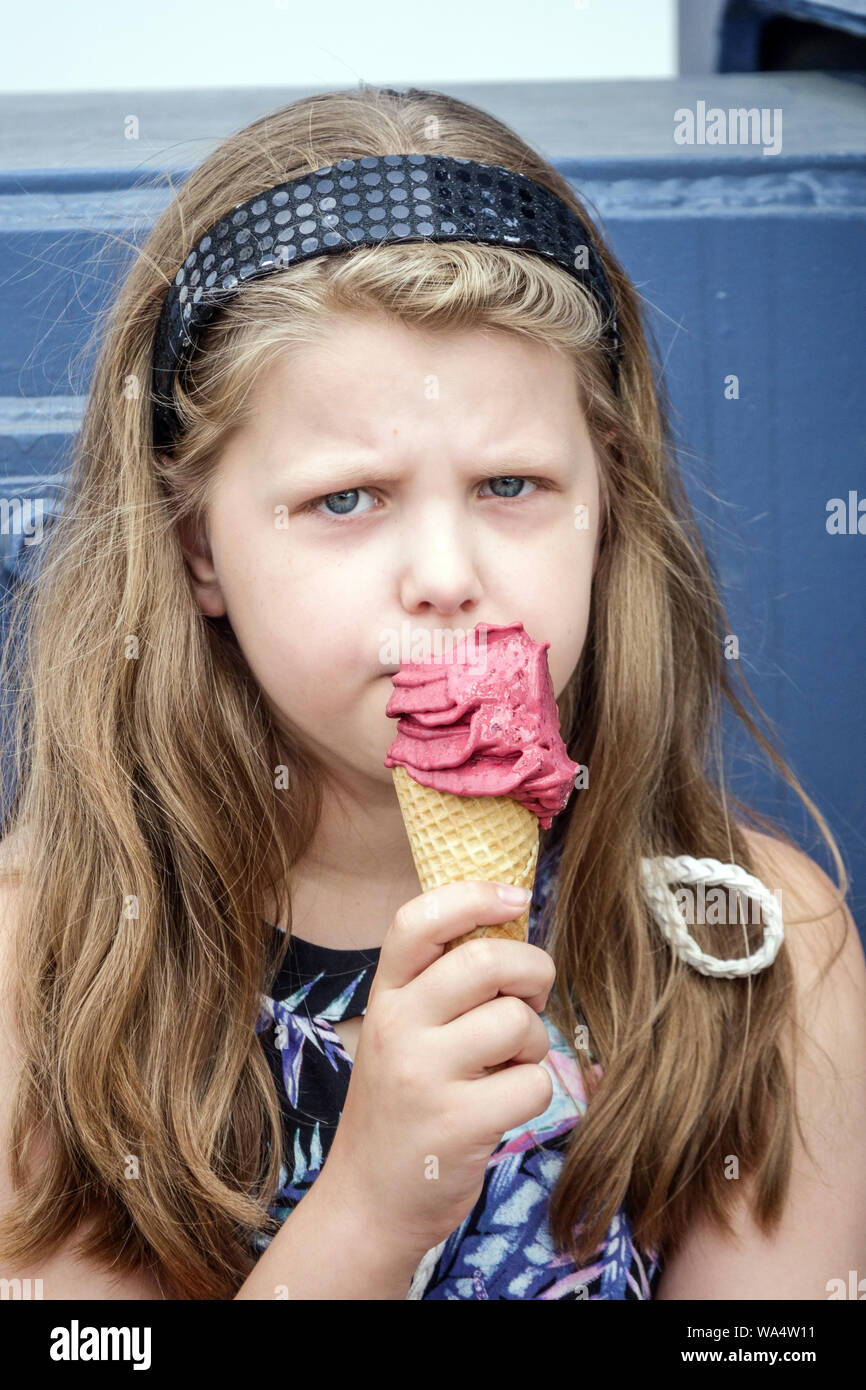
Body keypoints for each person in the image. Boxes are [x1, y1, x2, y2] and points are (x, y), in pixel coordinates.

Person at [0, 84, 864, 1302]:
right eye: (345, 500)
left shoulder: (764, 954)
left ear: (605, 509)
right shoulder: (48, 960)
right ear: (197, 547)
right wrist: (370, 1206)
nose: (449, 578)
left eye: (510, 485)